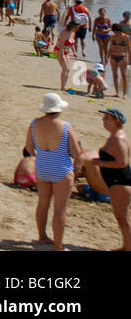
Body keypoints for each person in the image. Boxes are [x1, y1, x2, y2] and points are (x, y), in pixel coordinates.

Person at [23, 93, 82, 251]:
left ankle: (42, 236)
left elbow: (29, 147)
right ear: (59, 109)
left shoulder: (35, 123)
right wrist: (76, 167)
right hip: (61, 169)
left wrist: (41, 156)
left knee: (43, 204)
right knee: (60, 209)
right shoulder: (65, 126)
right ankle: (58, 245)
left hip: (42, 167)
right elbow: (76, 153)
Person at [77, 108, 131, 251]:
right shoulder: (114, 136)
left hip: (120, 182)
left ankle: (128, 247)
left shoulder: (118, 138)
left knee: (124, 217)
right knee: (121, 217)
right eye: (104, 118)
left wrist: (100, 163)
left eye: (107, 118)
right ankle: (126, 246)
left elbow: (122, 163)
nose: (103, 120)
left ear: (116, 121)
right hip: (115, 182)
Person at [110, 24, 131, 99]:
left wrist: (130, 59)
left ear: (118, 31)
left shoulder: (126, 37)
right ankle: (117, 92)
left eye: (115, 31)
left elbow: (129, 49)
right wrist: (107, 56)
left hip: (122, 57)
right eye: (113, 32)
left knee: (123, 75)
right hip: (113, 57)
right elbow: (110, 47)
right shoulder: (112, 37)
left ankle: (125, 94)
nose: (114, 33)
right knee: (115, 75)